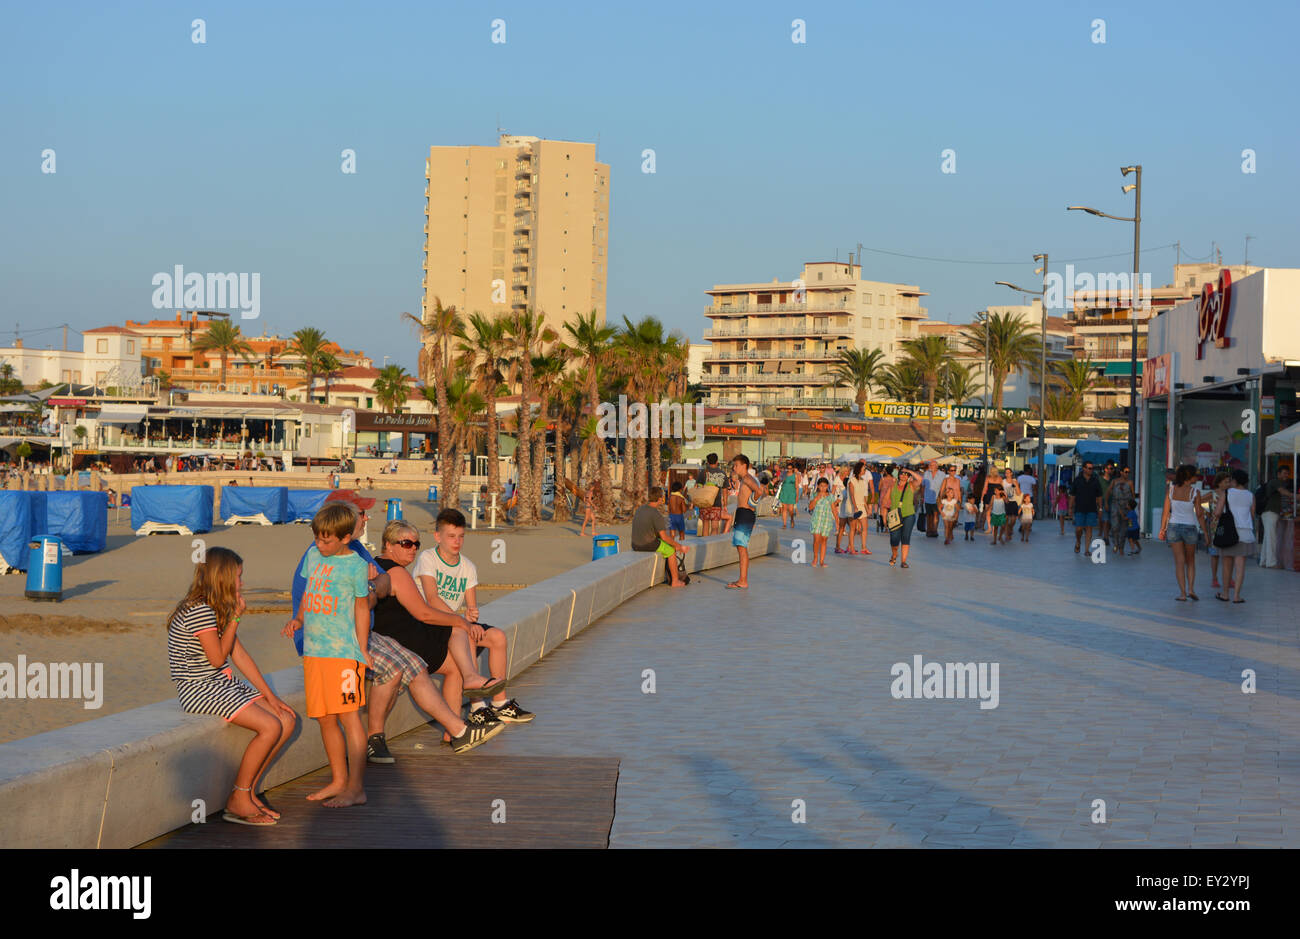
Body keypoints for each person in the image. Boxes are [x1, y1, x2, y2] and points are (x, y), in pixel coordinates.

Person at [168, 547, 297, 826]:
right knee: (271, 726)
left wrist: (270, 697)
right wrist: (236, 618)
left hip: (219, 683)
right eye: (238, 577)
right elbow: (217, 659)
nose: (242, 583)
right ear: (223, 578)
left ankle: (247, 793)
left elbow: (239, 656)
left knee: (286, 719)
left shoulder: (215, 608)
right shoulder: (200, 610)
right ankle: (239, 798)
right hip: (199, 688)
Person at [364, 521, 507, 756]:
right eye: (406, 543)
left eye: (416, 544)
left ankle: (453, 732)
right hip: (405, 639)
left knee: (453, 666)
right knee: (458, 630)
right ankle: (472, 682)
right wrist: (461, 620)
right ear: (388, 545)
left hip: (397, 635)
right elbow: (424, 613)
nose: (412, 549)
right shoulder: (396, 572)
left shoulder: (378, 566)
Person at [280, 501, 373, 807]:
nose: (320, 544)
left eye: (326, 539)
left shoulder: (356, 566)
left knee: (350, 718)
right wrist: (299, 619)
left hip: (344, 654)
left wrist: (362, 650)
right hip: (315, 652)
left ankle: (356, 788)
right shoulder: (312, 555)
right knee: (324, 718)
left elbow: (361, 609)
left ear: (346, 538)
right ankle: (338, 780)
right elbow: (309, 593)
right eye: (317, 538)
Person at [415, 508, 534, 724]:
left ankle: (500, 703)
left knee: (497, 637)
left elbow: (471, 606)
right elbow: (431, 599)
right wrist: (463, 621)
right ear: (437, 536)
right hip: (431, 622)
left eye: (461, 536)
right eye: (451, 536)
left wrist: (471, 614)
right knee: (466, 633)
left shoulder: (468, 567)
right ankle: (477, 706)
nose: (457, 542)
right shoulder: (428, 558)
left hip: (454, 622)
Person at [1210, 469, 1256, 603]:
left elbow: (1217, 512)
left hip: (1229, 533)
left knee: (1226, 564)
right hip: (1245, 533)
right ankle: (1236, 596)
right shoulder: (1250, 495)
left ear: (1234, 481)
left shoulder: (1227, 493)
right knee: (1240, 566)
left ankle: (1225, 594)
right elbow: (1252, 515)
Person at [632, 487, 690, 587]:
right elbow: (664, 537)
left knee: (668, 545)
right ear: (660, 499)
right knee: (671, 551)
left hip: (635, 544)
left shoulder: (640, 509)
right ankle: (675, 581)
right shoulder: (656, 514)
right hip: (647, 544)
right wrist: (679, 546)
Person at [726, 454, 765, 589]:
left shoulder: (748, 479)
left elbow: (759, 491)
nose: (734, 468)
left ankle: (743, 581)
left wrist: (751, 504)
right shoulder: (745, 479)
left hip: (745, 514)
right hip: (743, 513)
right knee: (741, 547)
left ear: (744, 466)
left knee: (742, 548)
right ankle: (742, 579)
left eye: (736, 465)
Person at [1201, 472, 1234, 592]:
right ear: (1219, 482)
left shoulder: (1231, 493)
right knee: (1214, 553)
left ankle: (1229, 578)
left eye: (1229, 481)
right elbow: (1198, 502)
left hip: (1229, 525)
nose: (1228, 484)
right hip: (1215, 526)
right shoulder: (1213, 494)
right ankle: (1214, 578)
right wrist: (1207, 513)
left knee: (1229, 553)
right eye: (1226, 481)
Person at [887, 466, 923, 567]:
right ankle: (894, 554)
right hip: (894, 516)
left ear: (908, 476)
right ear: (898, 475)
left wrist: (908, 470)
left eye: (906, 474)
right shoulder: (892, 486)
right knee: (894, 539)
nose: (903, 475)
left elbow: (920, 479)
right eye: (902, 473)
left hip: (908, 515)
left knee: (905, 537)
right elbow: (885, 501)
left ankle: (903, 561)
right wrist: (884, 515)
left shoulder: (911, 485)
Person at [1258, 463, 1292, 568]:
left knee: (1267, 538)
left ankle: (1263, 561)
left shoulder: (1279, 483)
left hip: (1270, 513)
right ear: (1278, 474)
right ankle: (1271, 563)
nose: (1286, 475)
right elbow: (1284, 492)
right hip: (1270, 512)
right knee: (1271, 538)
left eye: (1288, 474)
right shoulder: (1276, 482)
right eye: (1284, 473)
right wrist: (1296, 496)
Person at [1071, 461, 1103, 555]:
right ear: (1084, 468)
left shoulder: (1095, 480)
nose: (1091, 470)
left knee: (1089, 528)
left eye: (1092, 468)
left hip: (1092, 508)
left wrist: (1100, 508)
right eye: (1089, 468)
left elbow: (1099, 496)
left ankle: (1087, 550)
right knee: (1079, 529)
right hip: (1079, 508)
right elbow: (1072, 495)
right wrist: (1070, 508)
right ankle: (1078, 541)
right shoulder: (1077, 480)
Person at [696, 453, 728, 537]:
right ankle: (713, 546)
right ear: (717, 461)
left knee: (705, 525)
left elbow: (697, 487)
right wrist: (725, 505)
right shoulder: (723, 474)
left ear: (707, 462)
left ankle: (705, 544)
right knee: (715, 527)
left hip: (705, 503)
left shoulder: (703, 472)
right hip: (717, 504)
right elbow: (725, 491)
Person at [1108, 466, 1136, 556]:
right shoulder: (1114, 481)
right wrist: (1105, 504)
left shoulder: (1130, 482)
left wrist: (1132, 507)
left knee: (1124, 528)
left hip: (1126, 506)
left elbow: (1133, 495)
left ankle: (1121, 547)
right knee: (1115, 526)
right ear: (1121, 472)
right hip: (1115, 504)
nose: (1127, 473)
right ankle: (1116, 544)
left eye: (1128, 472)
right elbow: (1108, 492)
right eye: (1125, 471)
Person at [847, 461, 873, 555]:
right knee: (853, 529)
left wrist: (867, 508)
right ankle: (852, 548)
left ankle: (864, 547)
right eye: (864, 469)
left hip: (862, 506)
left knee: (865, 527)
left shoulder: (863, 481)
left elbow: (863, 496)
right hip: (853, 507)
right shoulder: (851, 481)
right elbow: (852, 495)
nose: (865, 470)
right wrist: (855, 507)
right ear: (859, 470)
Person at [808, 477, 835, 567]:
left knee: (824, 540)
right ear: (818, 486)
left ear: (827, 486)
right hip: (816, 520)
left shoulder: (830, 496)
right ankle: (815, 558)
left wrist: (838, 523)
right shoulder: (814, 495)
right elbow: (810, 507)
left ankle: (822, 561)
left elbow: (834, 510)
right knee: (816, 540)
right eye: (821, 486)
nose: (823, 488)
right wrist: (816, 499)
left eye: (825, 486)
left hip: (827, 521)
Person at [777, 463, 799, 530]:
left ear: (792, 468)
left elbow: (797, 486)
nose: (789, 470)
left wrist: (797, 496)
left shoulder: (795, 475)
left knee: (791, 510)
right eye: (788, 468)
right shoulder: (784, 474)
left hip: (792, 493)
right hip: (784, 492)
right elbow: (779, 481)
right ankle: (784, 524)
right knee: (784, 508)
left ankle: (792, 520)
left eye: (790, 468)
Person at [921, 460, 940, 537]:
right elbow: (923, 486)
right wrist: (922, 497)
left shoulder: (941, 474)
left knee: (936, 514)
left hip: (937, 498)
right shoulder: (926, 474)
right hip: (927, 497)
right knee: (929, 515)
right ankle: (929, 530)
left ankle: (934, 530)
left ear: (936, 466)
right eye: (930, 465)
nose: (931, 467)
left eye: (932, 465)